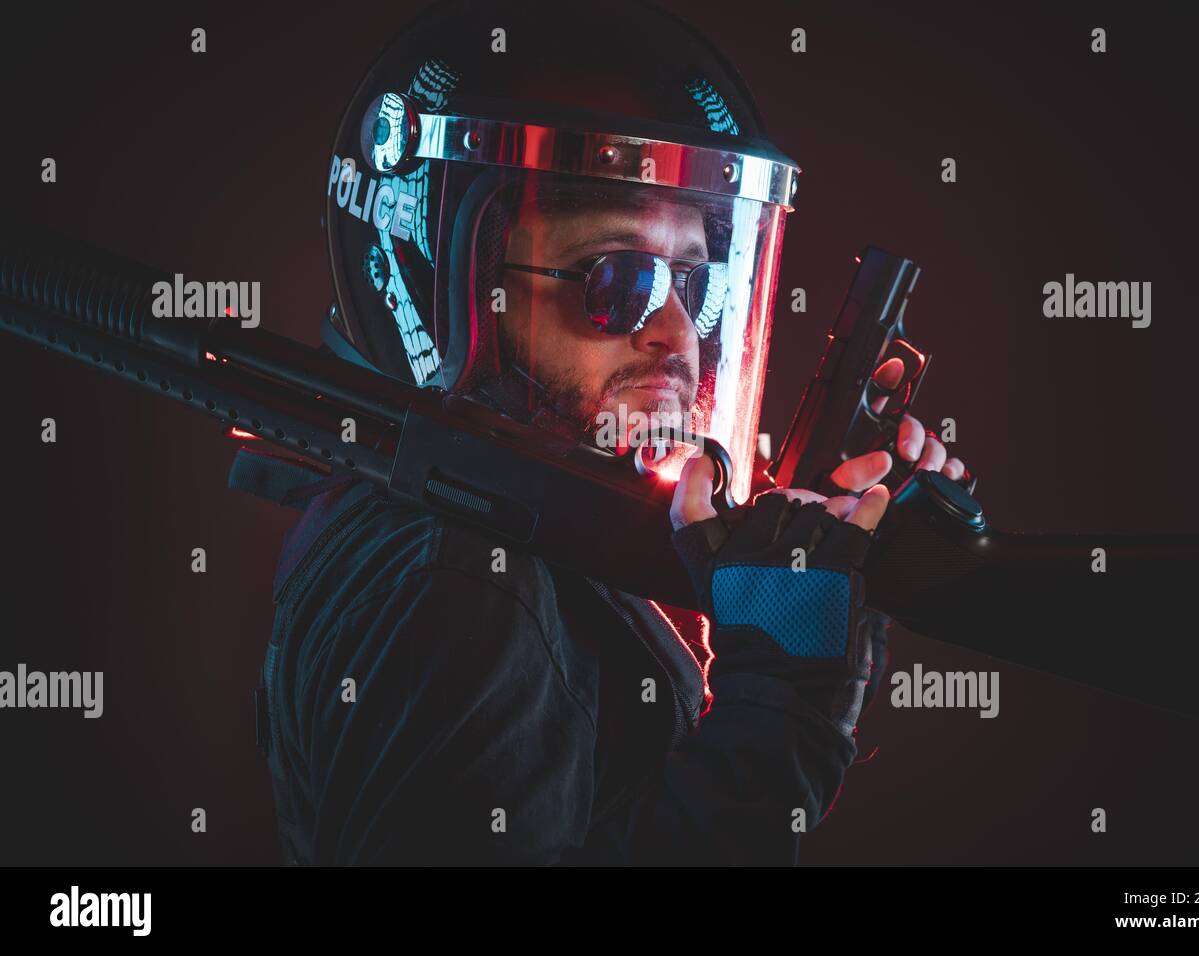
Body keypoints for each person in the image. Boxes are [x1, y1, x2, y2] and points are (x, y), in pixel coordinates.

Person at [245, 0, 970, 865]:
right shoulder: (460, 578)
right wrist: (783, 711)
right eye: (616, 280)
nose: (675, 334)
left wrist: (853, 574)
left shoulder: (509, 529)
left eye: (692, 283)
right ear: (447, 285)